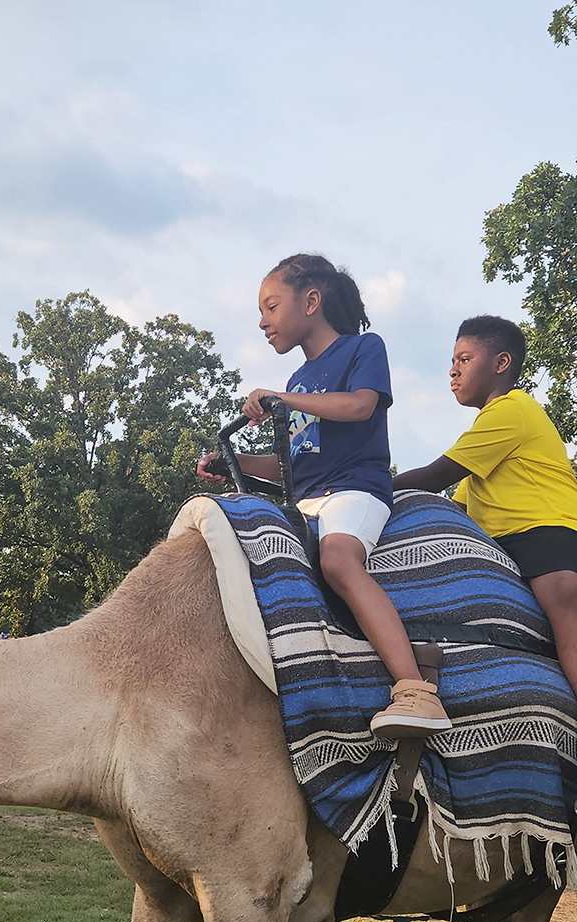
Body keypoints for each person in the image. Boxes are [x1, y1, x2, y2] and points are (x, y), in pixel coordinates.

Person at [197, 253, 452, 738]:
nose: (262, 321)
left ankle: (415, 690)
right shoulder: (295, 383)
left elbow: (359, 406)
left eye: (271, 306)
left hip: (355, 489)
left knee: (337, 560)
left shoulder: (363, 349)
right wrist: (232, 465)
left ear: (311, 301)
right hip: (306, 499)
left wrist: (283, 400)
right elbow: (291, 464)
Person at [392, 314, 577, 698]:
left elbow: (432, 477)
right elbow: (453, 509)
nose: (452, 371)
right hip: (511, 546)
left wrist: (363, 486)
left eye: (464, 359)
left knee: (569, 631)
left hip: (546, 532)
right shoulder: (484, 441)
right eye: (453, 361)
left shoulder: (513, 410)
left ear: (501, 363)